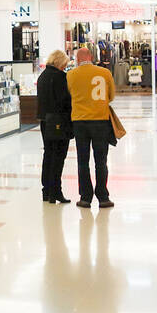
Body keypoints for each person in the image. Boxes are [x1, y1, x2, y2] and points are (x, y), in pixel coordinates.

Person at [65, 47, 116, 209]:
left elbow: (69, 95)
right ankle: (103, 197)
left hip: (80, 122)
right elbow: (111, 96)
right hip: (101, 120)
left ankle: (85, 197)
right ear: (91, 57)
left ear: (77, 59)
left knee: (83, 161)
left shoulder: (71, 75)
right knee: (101, 161)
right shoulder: (105, 73)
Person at [36, 50, 73, 204]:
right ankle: (55, 192)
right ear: (59, 62)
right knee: (58, 156)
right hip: (59, 121)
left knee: (48, 154)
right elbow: (65, 101)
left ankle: (46, 190)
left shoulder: (42, 76)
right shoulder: (61, 78)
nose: (65, 66)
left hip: (45, 121)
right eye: (64, 63)